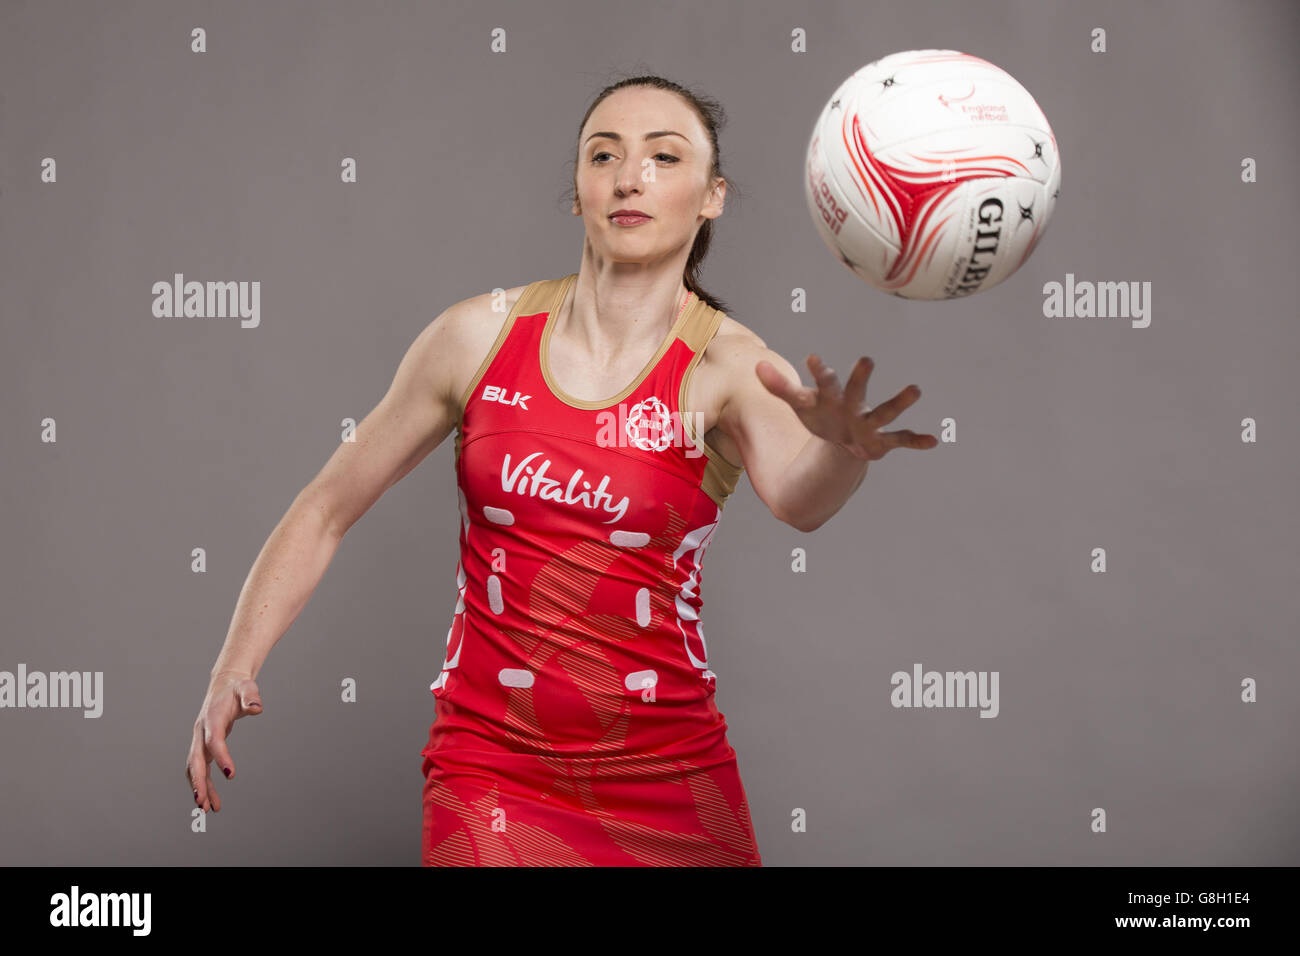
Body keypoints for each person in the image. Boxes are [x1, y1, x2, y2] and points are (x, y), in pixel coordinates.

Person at [184, 75, 938, 866]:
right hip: (491, 770)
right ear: (578, 190)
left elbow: (800, 499)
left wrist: (843, 454)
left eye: (663, 157)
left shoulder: (729, 364)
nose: (629, 176)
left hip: (669, 776)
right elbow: (324, 508)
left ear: (712, 196)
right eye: (603, 154)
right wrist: (235, 663)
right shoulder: (474, 336)